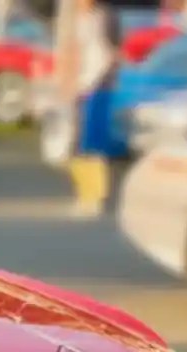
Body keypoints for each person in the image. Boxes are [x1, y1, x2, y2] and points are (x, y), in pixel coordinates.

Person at [64, 0, 116, 218]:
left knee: (92, 146)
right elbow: (75, 53)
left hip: (98, 86)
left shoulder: (103, 17)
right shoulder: (78, 21)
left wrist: (102, 78)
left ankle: (94, 198)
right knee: (77, 147)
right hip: (82, 87)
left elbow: (112, 53)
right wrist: (71, 84)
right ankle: (84, 194)